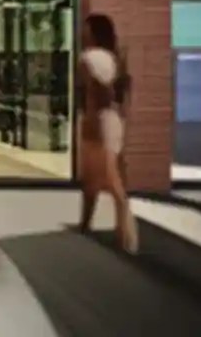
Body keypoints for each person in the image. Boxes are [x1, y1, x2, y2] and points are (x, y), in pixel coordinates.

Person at [77, 13, 138, 253]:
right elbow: (122, 95)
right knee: (92, 178)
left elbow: (97, 93)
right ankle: (85, 224)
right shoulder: (115, 59)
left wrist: (95, 107)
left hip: (98, 122)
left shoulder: (87, 58)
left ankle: (127, 234)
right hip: (112, 121)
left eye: (86, 29)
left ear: (93, 33)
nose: (82, 33)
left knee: (110, 180)